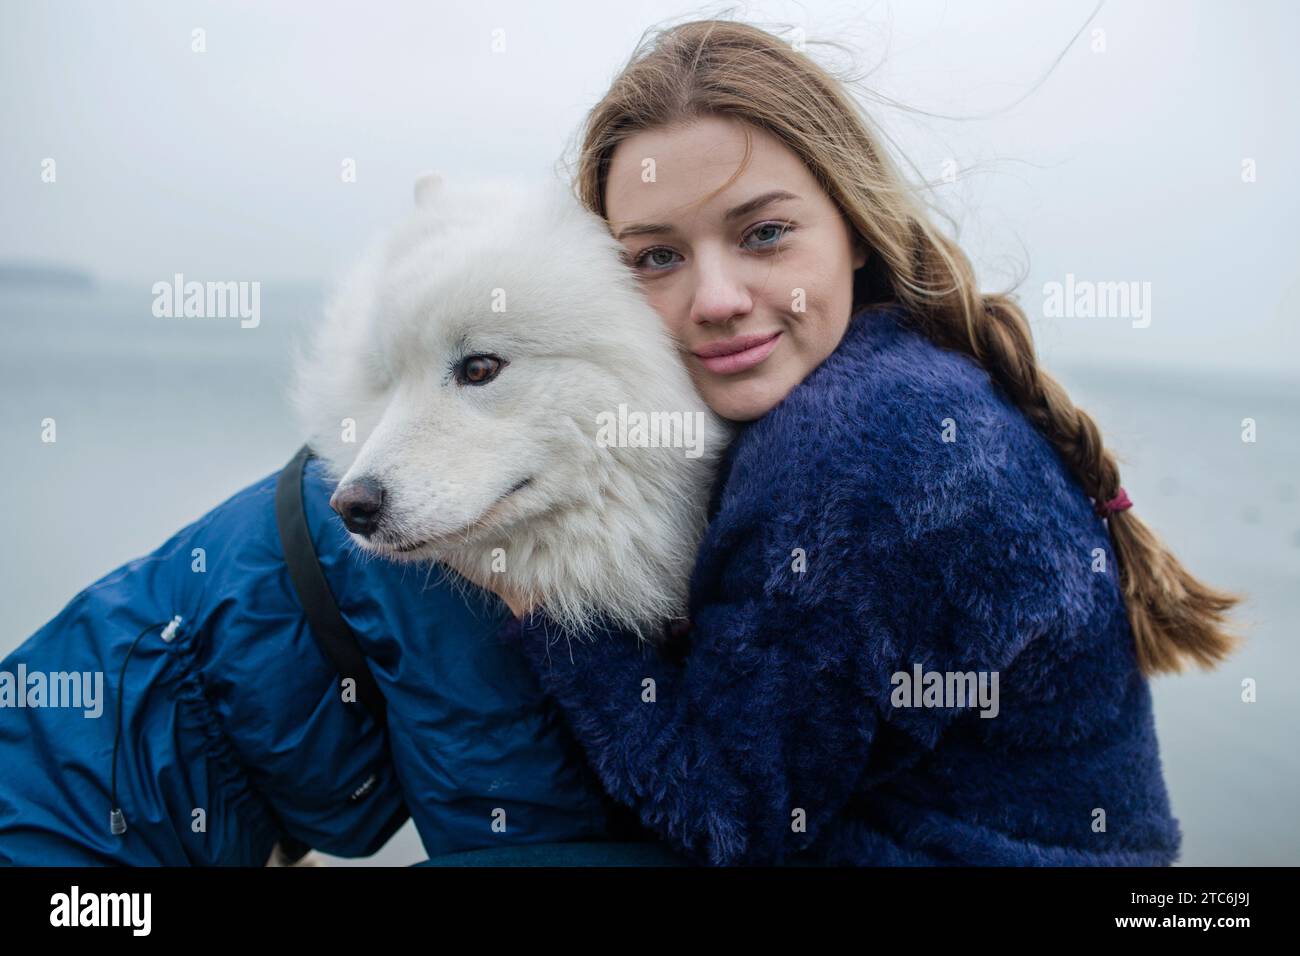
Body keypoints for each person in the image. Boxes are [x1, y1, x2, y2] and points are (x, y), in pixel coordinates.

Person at [485, 19, 1242, 866]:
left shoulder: (867, 444)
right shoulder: (887, 378)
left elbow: (729, 819)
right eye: (657, 257)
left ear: (852, 227)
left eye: (764, 233)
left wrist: (538, 601)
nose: (717, 298)